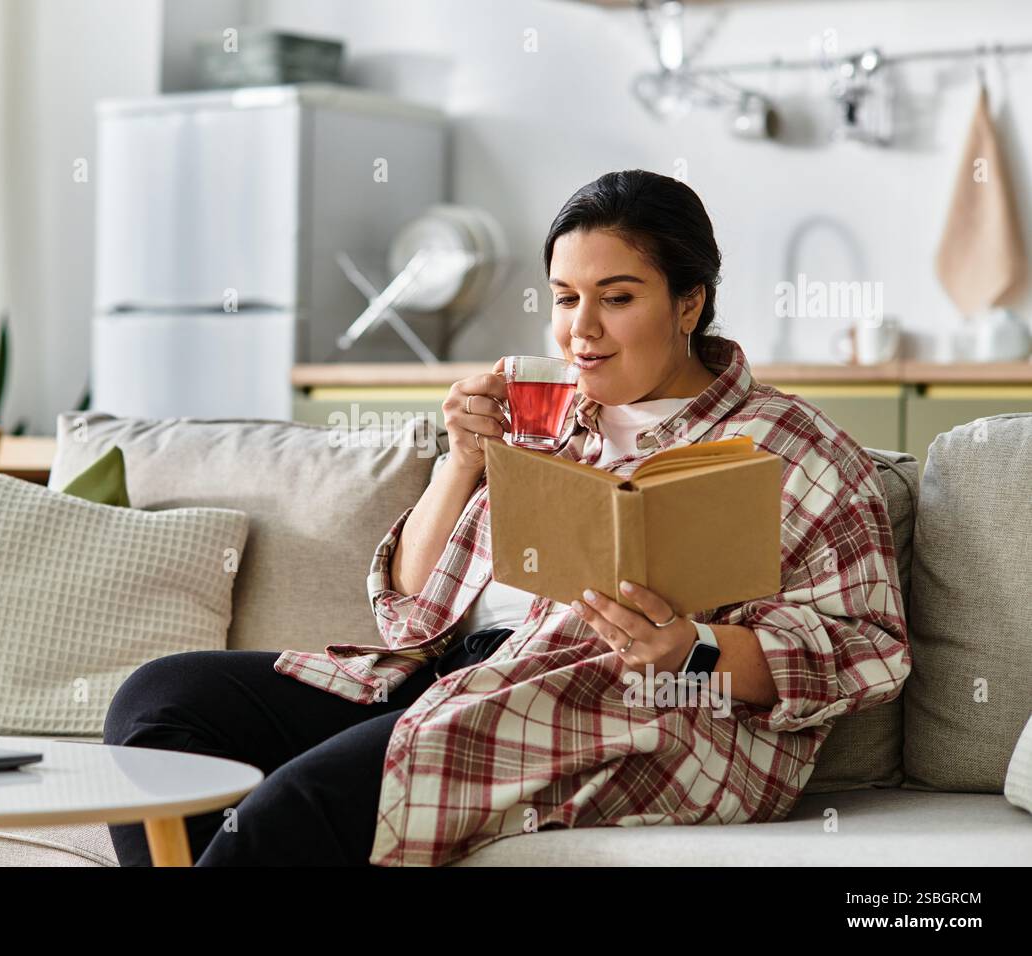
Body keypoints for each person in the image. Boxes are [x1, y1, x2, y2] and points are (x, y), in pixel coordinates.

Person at [103, 169, 911, 867]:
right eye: (565, 299)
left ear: (689, 301)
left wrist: (693, 650)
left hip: (631, 708)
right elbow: (410, 612)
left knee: (301, 803)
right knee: (164, 699)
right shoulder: (546, 422)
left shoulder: (794, 447)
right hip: (458, 673)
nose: (581, 330)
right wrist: (461, 464)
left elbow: (868, 649)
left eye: (617, 298)